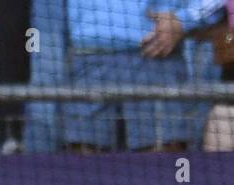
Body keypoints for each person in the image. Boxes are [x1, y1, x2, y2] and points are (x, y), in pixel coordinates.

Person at [63, 0, 226, 152]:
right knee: (84, 167)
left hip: (157, 55)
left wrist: (186, 19)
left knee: (162, 166)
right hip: (86, 56)